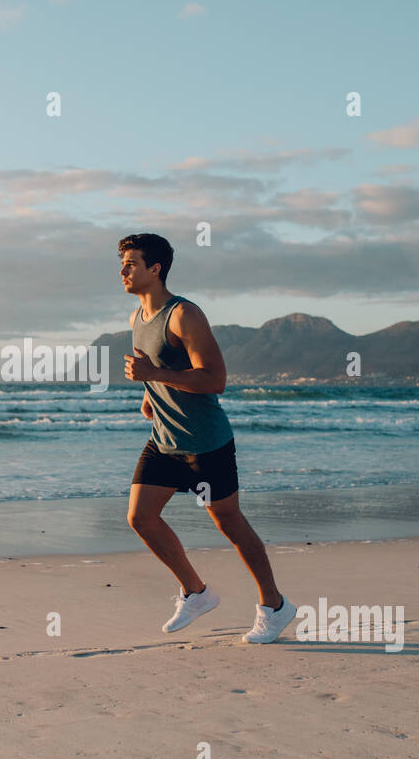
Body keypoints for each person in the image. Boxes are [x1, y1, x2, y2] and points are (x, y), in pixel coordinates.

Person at [118, 232, 296, 642]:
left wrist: (155, 377)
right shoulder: (136, 318)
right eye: (121, 265)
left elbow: (216, 380)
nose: (123, 272)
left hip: (205, 442)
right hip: (163, 439)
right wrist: (150, 396)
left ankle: (275, 605)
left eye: (131, 264)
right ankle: (195, 592)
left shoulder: (184, 315)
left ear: (155, 269)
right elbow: (155, 368)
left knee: (229, 523)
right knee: (140, 517)